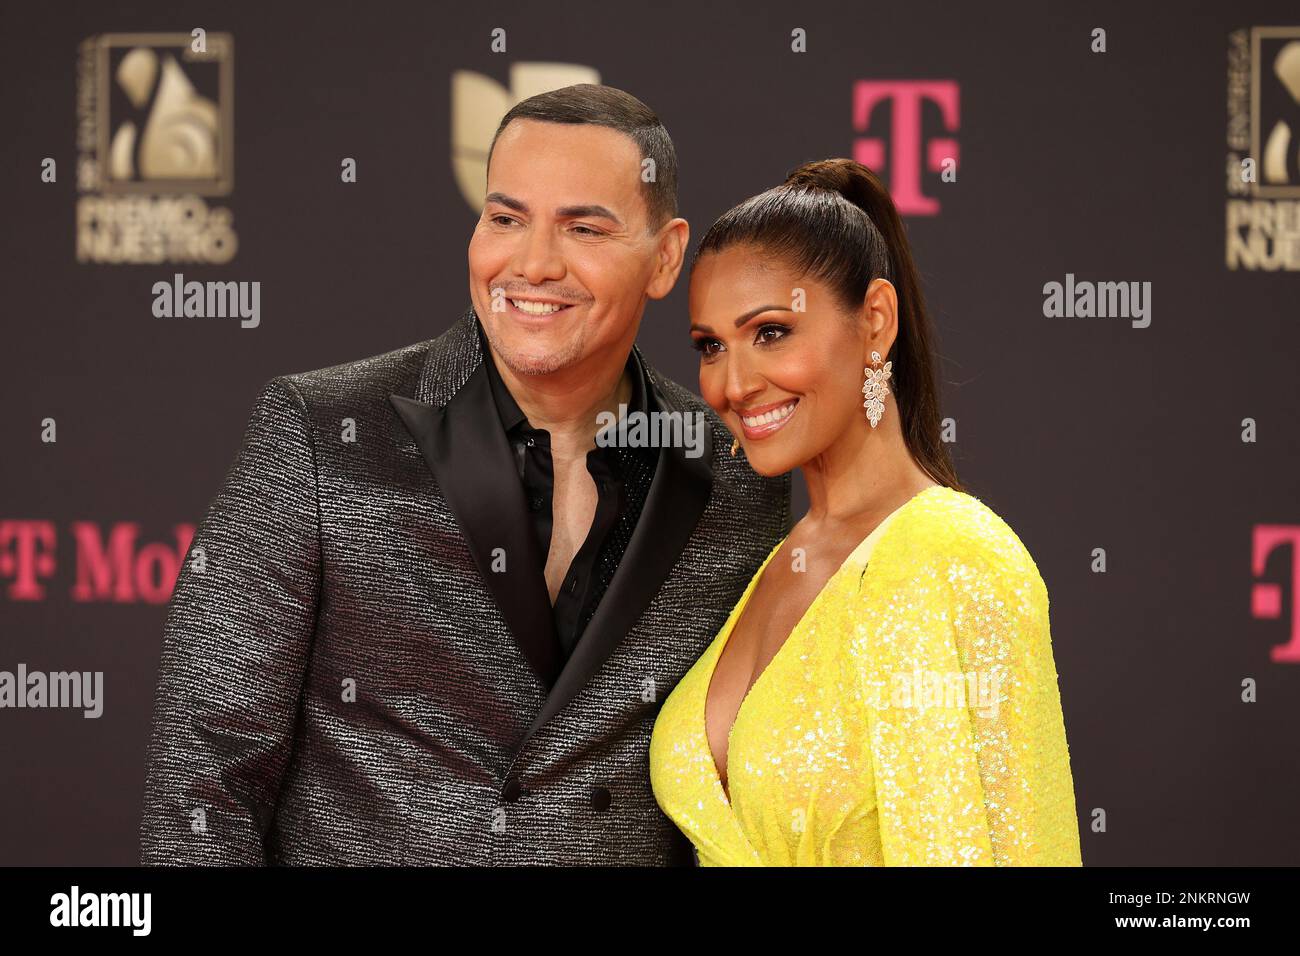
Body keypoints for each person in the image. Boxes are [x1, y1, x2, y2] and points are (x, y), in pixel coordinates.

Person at [139, 84, 790, 865]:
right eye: (506, 218)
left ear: (665, 257)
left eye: (584, 227)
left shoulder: (736, 477)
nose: (533, 263)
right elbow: (201, 779)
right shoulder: (321, 433)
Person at [649, 158, 1082, 866]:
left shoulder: (950, 558)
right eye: (710, 347)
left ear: (875, 320)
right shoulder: (775, 558)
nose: (732, 383)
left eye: (771, 333)